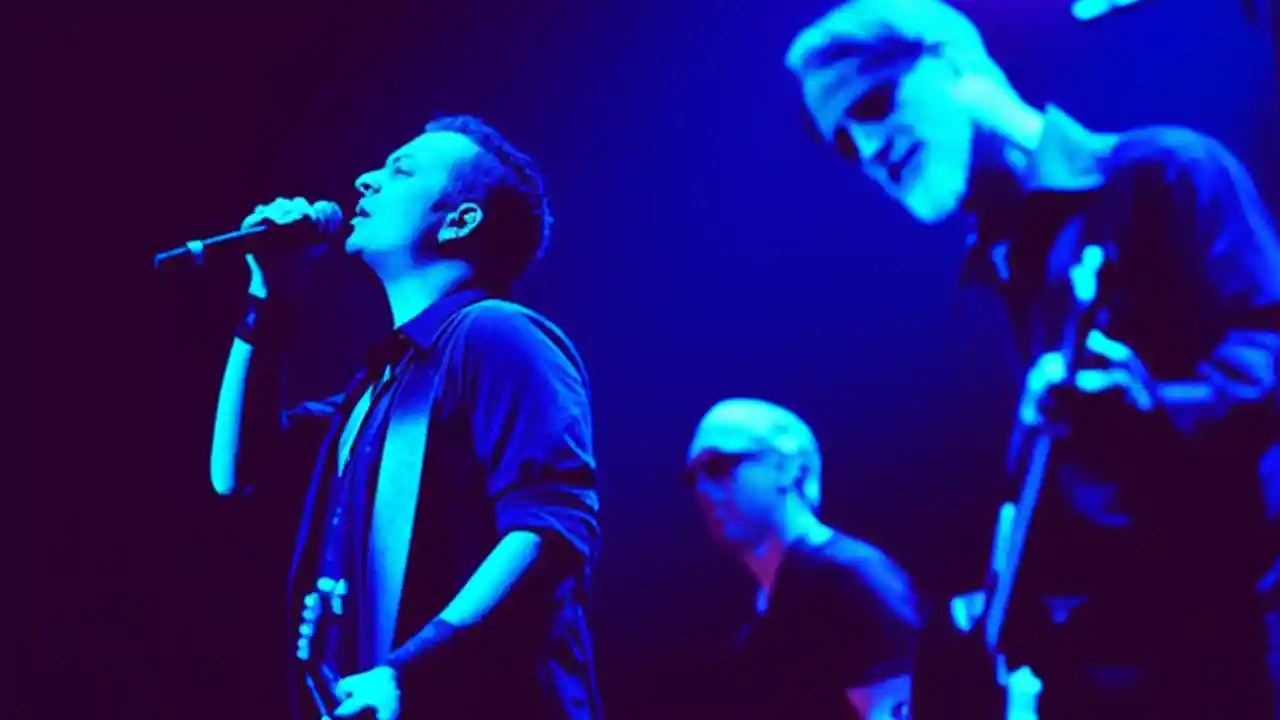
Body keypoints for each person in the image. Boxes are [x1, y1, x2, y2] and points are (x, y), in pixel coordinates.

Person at [784, 1, 1280, 716]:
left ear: (958, 63)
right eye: (844, 145)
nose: (869, 150)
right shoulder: (977, 299)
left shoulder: (1160, 172)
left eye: (874, 100)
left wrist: (1159, 408)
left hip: (1223, 656)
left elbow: (1269, 356)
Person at [207, 115, 602, 719]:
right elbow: (238, 470)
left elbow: (549, 526)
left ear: (461, 220)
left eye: (401, 170)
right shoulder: (380, 387)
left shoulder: (498, 335)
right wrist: (270, 297)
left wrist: (410, 670)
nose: (365, 180)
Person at [684, 398, 920, 720]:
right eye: (692, 478)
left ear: (788, 466)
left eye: (717, 466)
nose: (701, 489)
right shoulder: (764, 618)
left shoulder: (850, 579)